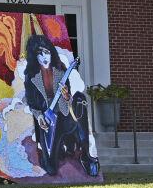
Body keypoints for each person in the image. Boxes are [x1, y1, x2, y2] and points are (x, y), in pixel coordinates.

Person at [22, 35, 98, 177]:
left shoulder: (60, 71)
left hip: (64, 118)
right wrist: (39, 117)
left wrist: (67, 96)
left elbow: (67, 104)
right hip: (48, 124)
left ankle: (86, 155)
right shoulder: (31, 76)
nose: (44, 57)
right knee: (50, 168)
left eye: (47, 52)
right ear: (34, 56)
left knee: (80, 99)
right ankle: (57, 151)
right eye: (40, 53)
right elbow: (32, 103)